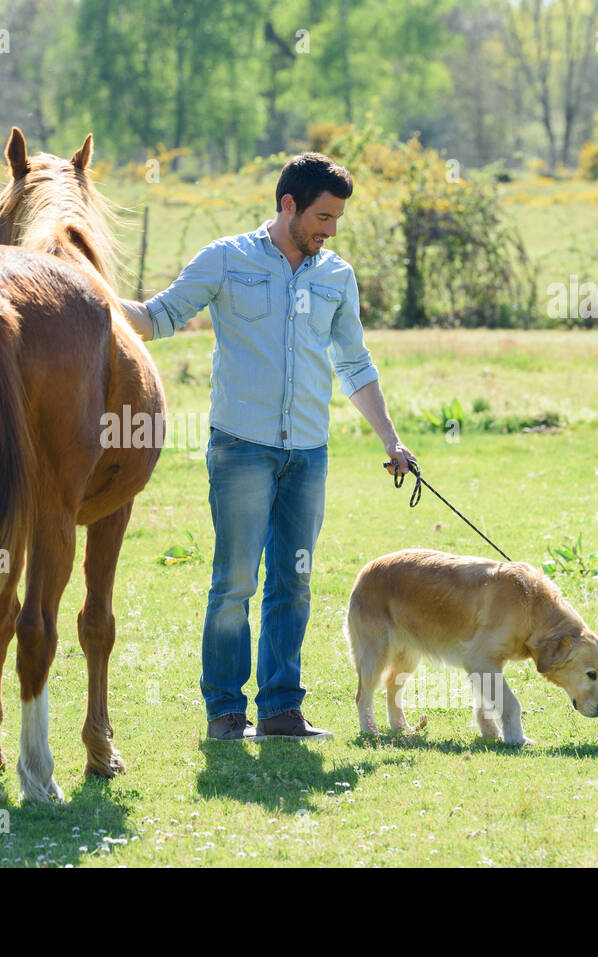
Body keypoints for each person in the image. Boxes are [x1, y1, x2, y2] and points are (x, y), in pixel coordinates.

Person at [119, 152, 417, 742]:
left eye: (336, 221)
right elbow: (158, 317)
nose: (330, 231)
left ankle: (282, 709)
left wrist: (392, 438)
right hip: (242, 451)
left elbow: (353, 364)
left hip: (308, 454)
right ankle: (226, 714)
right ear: (288, 205)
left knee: (295, 580)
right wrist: (88, 295)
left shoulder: (336, 277)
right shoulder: (226, 260)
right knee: (234, 583)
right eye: (323, 218)